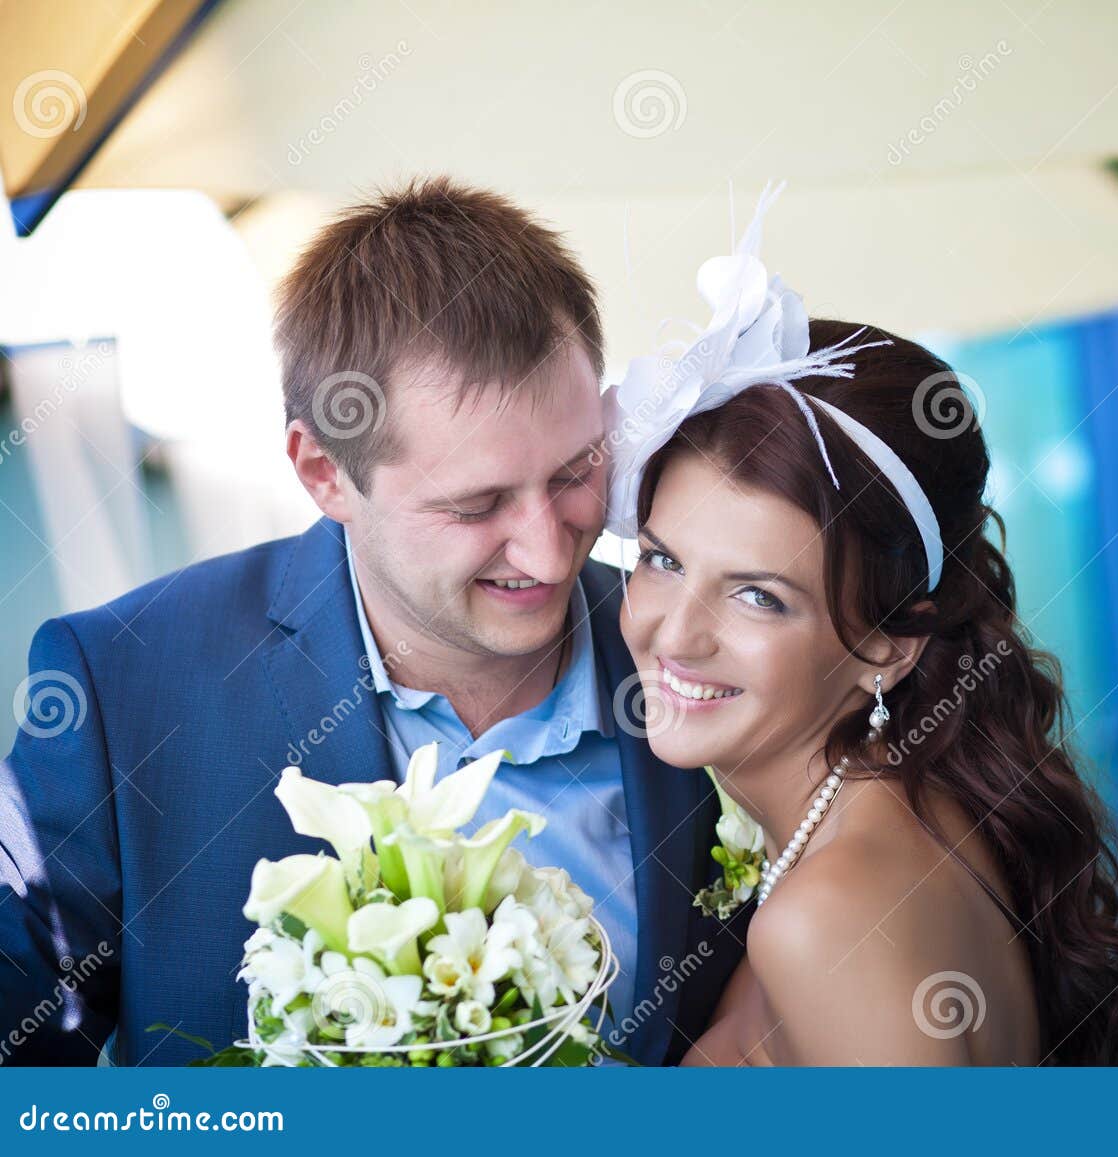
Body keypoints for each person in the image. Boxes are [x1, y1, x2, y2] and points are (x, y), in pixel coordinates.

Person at [0, 178, 743, 1066]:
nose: (550, 553)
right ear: (323, 472)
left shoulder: (716, 659)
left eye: (575, 470)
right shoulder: (121, 689)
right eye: (477, 505)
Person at [603, 190, 1118, 1064]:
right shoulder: (911, 817)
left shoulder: (827, 916)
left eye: (758, 596)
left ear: (888, 644)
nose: (675, 635)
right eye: (663, 560)